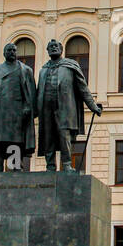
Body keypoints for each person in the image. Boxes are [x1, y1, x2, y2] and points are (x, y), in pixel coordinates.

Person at [35, 38, 102, 172]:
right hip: (46, 107)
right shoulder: (43, 70)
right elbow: (38, 92)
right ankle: (50, 165)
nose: (54, 48)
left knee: (64, 135)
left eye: (56, 46)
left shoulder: (70, 66)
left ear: (62, 49)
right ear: (47, 51)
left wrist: (92, 105)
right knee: (48, 136)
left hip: (65, 107)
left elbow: (82, 87)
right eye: (51, 46)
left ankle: (66, 164)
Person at [0, 42, 36, 171]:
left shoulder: (25, 70)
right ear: (4, 53)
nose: (12, 52)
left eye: (14, 50)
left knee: (16, 140)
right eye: (9, 50)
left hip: (18, 111)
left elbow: (32, 92)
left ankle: (16, 166)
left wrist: (28, 107)